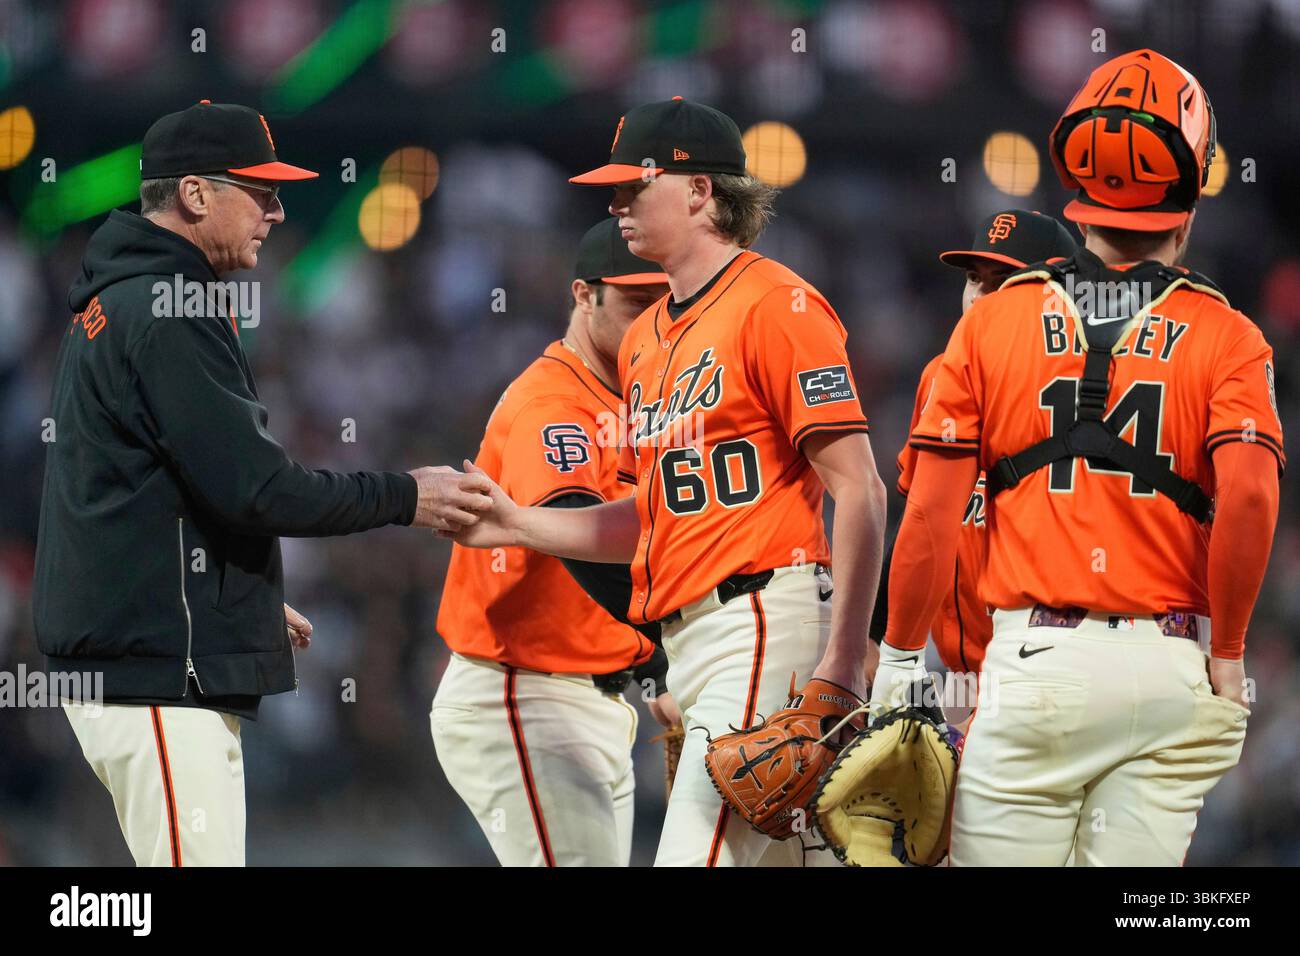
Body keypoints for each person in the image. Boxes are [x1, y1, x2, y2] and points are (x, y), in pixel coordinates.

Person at [34, 101, 490, 867]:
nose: (278, 212)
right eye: (261, 190)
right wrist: (408, 496)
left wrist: (227, 595)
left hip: (146, 656)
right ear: (196, 195)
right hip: (151, 675)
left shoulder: (129, 298)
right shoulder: (163, 308)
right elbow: (259, 488)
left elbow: (133, 488)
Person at [448, 97, 888, 867]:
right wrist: (517, 523)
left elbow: (859, 489)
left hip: (766, 617)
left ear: (697, 191)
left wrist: (845, 659)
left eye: (633, 186)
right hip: (693, 643)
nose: (615, 203)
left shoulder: (776, 303)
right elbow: (643, 519)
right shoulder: (648, 337)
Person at [873, 50, 1283, 866]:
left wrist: (895, 660)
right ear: (1193, 190)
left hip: (1037, 670)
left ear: (1077, 179)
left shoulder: (992, 321)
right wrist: (1229, 656)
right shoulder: (1229, 334)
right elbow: (1250, 501)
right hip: (1172, 668)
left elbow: (929, 511)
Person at [431, 218, 678, 866]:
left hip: (588, 692)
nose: (655, 319)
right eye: (634, 302)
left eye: (667, 301)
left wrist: (654, 679)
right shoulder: (556, 400)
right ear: (583, 295)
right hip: (522, 693)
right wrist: (687, 649)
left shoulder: (644, 398)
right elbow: (574, 529)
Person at [891, 210, 1076, 691]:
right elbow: (918, 523)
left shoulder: (1080, 383)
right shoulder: (941, 374)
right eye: (974, 278)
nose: (978, 296)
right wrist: (882, 644)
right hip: (962, 673)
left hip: (1041, 662)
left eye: (1004, 281)